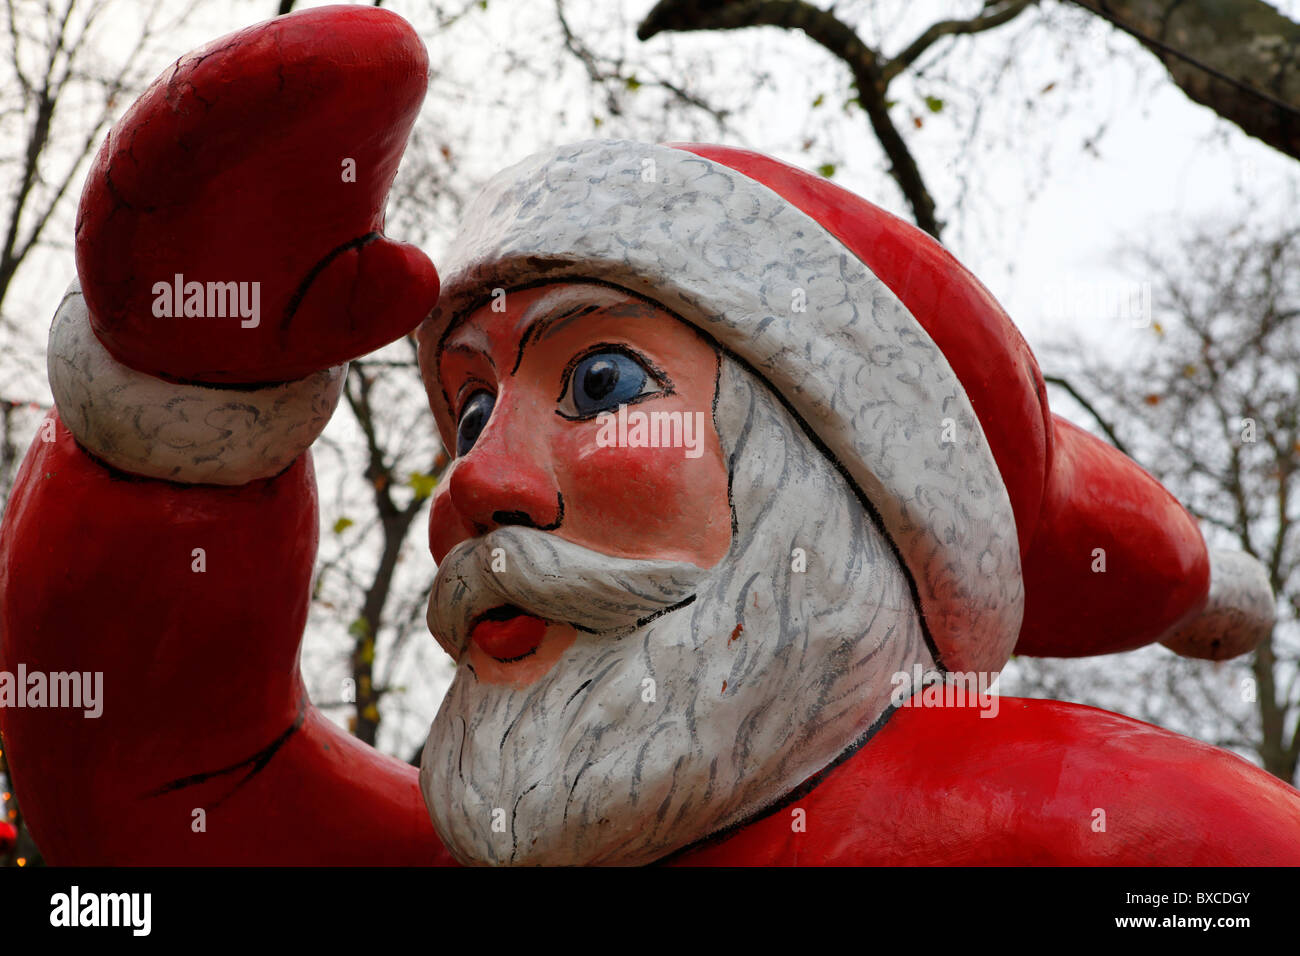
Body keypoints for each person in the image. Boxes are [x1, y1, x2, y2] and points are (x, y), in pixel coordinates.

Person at [2, 5, 1297, 866]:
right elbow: (170, 804)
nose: (475, 487)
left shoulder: (1124, 836)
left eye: (604, 380)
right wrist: (188, 405)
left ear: (856, 484)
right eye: (465, 408)